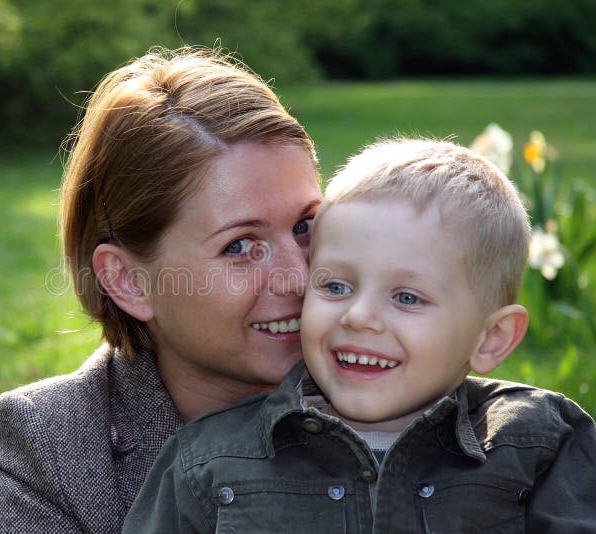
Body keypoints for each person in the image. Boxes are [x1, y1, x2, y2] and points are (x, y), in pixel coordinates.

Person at [123, 138, 596, 533]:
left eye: (407, 298)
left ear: (491, 338)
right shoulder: (208, 463)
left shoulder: (538, 445)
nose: (359, 316)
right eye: (335, 286)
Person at [0, 46, 323, 532]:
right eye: (240, 244)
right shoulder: (53, 447)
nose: (300, 277)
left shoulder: (402, 393)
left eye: (305, 226)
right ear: (128, 280)